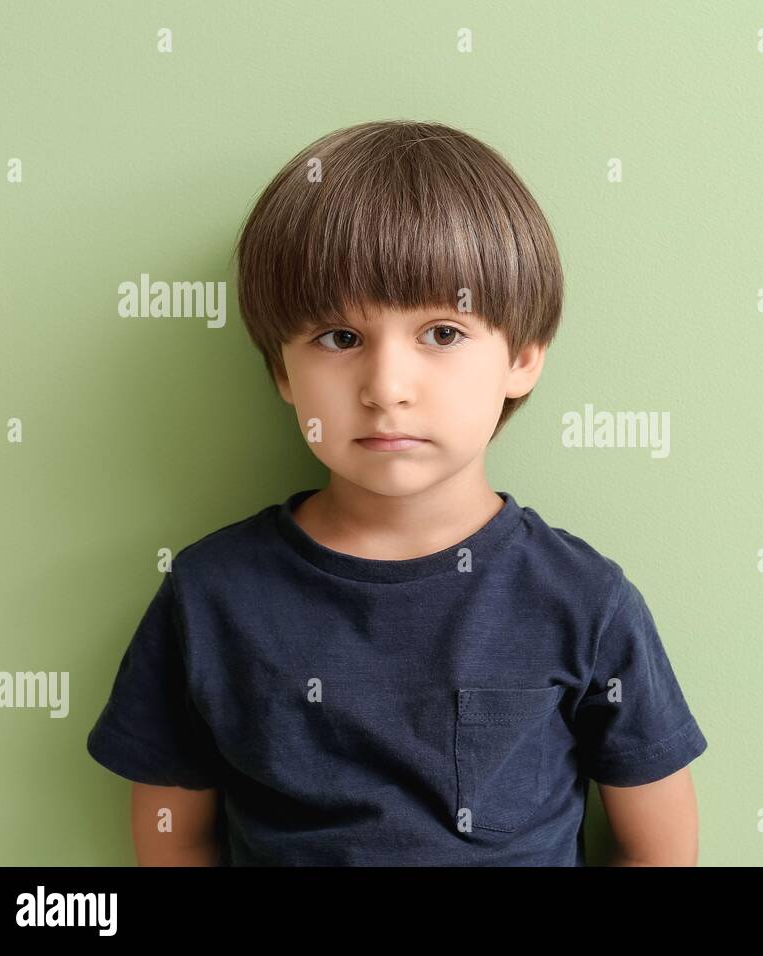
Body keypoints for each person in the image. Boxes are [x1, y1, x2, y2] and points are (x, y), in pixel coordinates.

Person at [86, 120, 707, 866]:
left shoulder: (584, 603)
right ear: (282, 373)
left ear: (524, 358)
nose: (386, 389)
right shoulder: (209, 597)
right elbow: (174, 840)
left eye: (442, 334)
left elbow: (659, 850)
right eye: (339, 338)